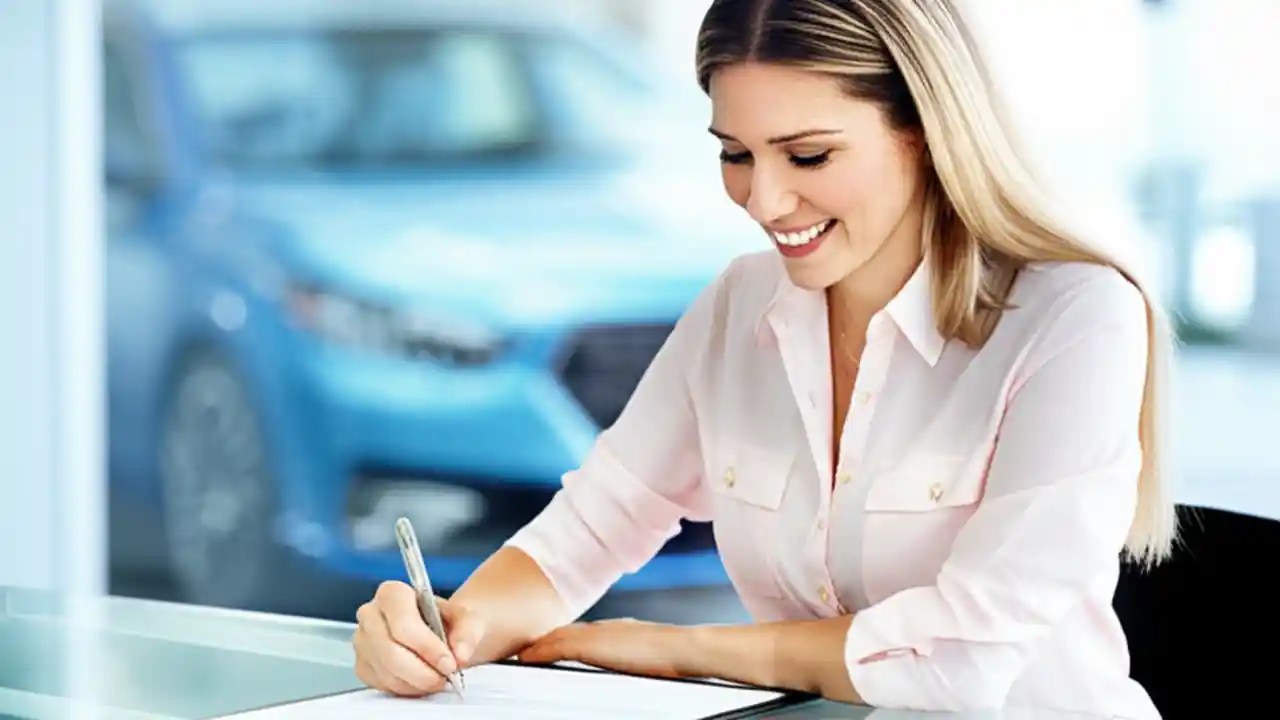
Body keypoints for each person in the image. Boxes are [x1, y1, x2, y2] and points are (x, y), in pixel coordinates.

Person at [351, 0, 1176, 715]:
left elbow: (964, 655)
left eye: (808, 155)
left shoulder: (1075, 315)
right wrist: (453, 630)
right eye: (735, 155)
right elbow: (592, 526)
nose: (765, 200)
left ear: (924, 131)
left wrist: (680, 651)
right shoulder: (738, 308)